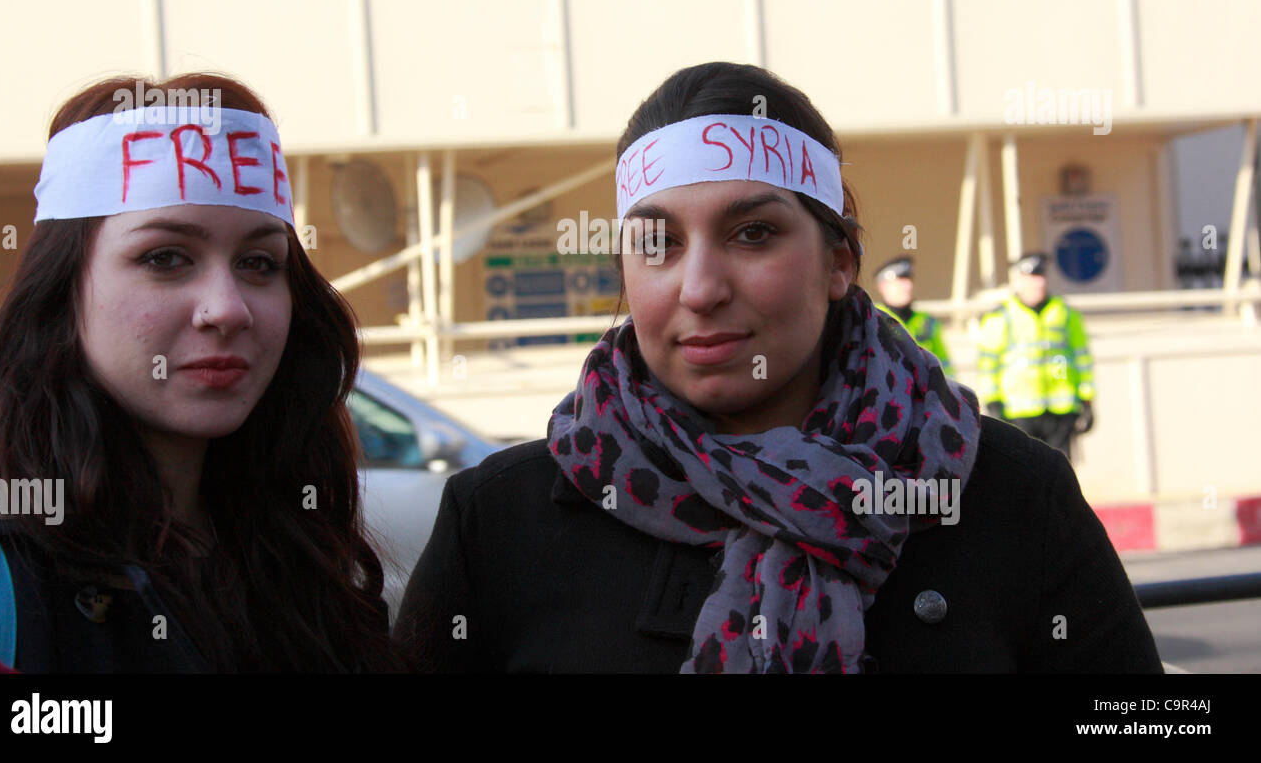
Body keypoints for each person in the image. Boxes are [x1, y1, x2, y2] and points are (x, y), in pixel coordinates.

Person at [393, 61, 1159, 673]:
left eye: (753, 233)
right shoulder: (499, 523)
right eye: (656, 243)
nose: (699, 288)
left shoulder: (1008, 497)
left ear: (838, 261)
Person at [0, 74, 403, 672]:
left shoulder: (305, 554)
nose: (227, 307)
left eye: (258, 262)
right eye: (165, 258)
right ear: (65, 288)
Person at [976, 252, 1095, 463]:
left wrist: (1087, 399)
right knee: (1023, 474)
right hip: (1018, 412)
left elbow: (1082, 358)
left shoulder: (1065, 313)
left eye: (1041, 276)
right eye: (1031, 277)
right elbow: (988, 364)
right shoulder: (1001, 317)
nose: (1037, 283)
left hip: (1062, 409)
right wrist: (992, 401)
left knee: (1060, 473)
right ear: (1019, 280)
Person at [872, 256, 951, 370]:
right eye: (899, 282)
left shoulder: (927, 321)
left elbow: (944, 365)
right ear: (882, 286)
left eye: (908, 281)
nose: (907, 287)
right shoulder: (873, 318)